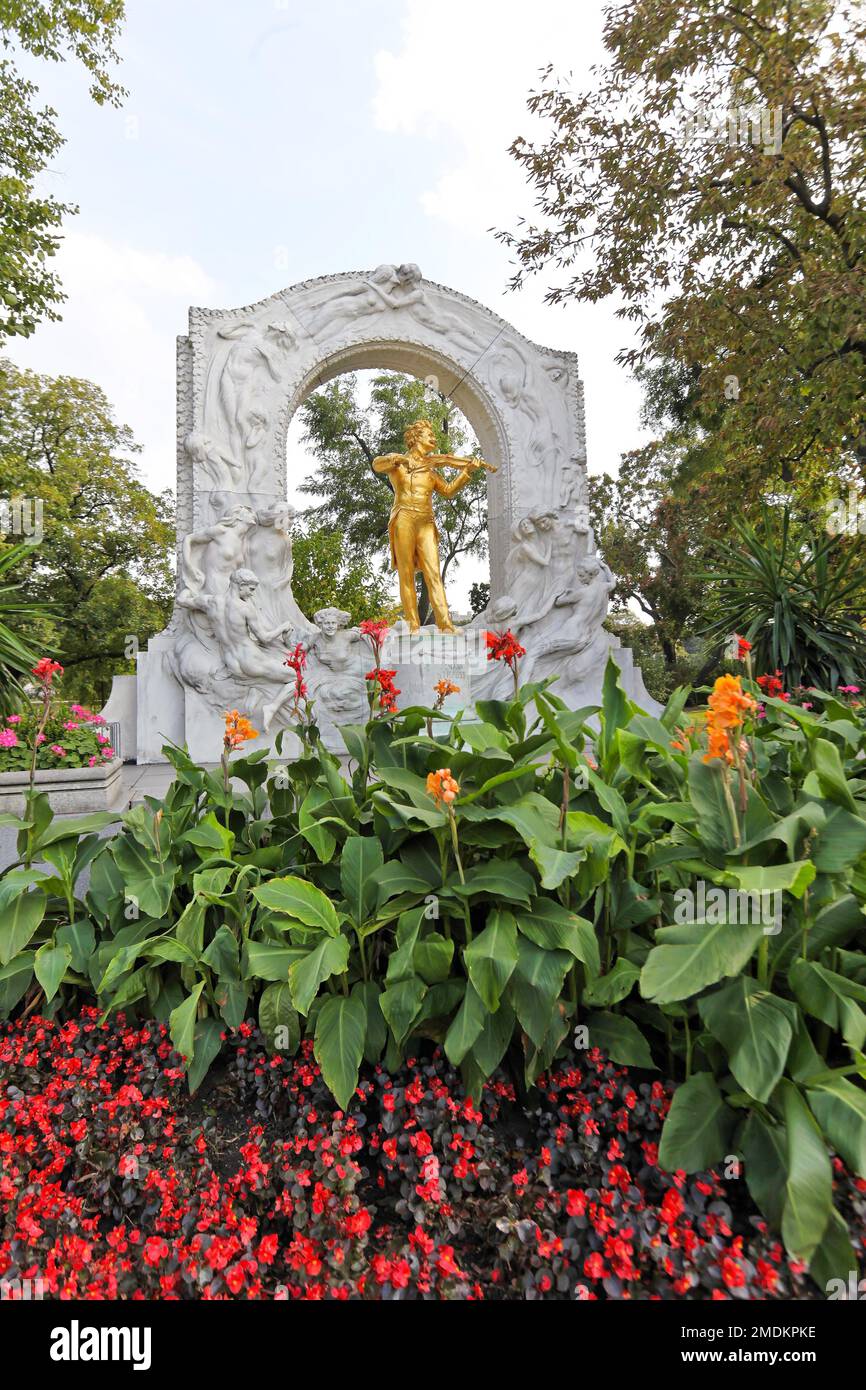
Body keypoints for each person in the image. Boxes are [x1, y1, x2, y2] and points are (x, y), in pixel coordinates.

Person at [372, 419, 486, 633]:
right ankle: (413, 625)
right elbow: (377, 464)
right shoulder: (397, 464)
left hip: (426, 520)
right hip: (403, 516)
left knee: (433, 572)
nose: (433, 438)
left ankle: (445, 624)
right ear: (415, 438)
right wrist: (396, 459)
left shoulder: (431, 470)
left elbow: (449, 491)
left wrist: (467, 471)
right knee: (406, 573)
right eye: (428, 434)